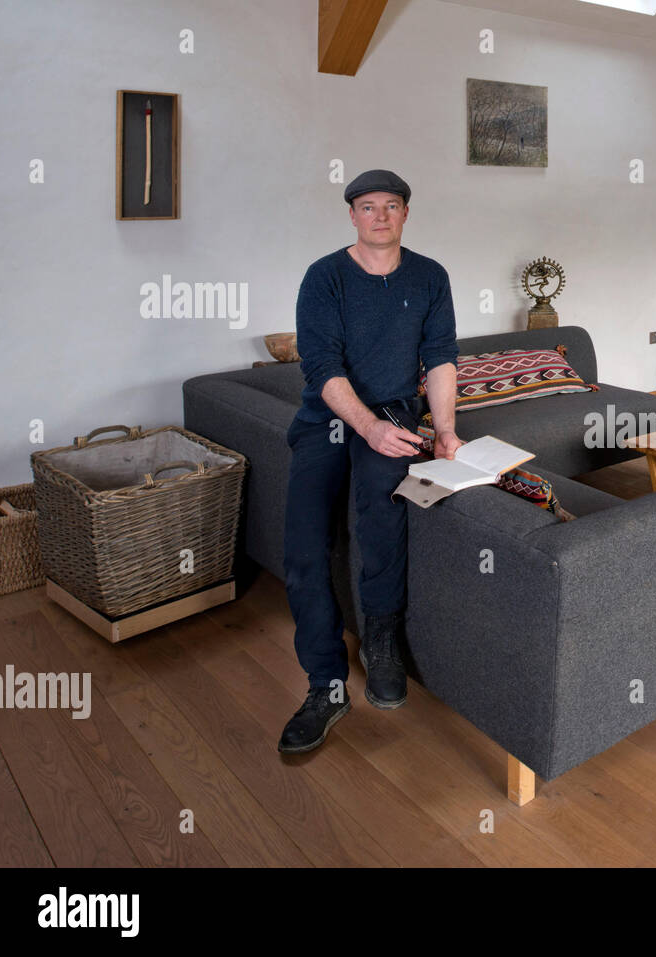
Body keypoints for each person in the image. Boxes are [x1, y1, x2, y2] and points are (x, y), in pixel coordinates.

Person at [277, 169, 462, 754]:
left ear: (406, 213)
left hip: (397, 412)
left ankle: (381, 645)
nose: (379, 216)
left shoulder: (431, 277)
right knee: (304, 543)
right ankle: (325, 684)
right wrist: (368, 427)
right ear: (351, 215)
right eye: (366, 207)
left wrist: (447, 431)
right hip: (328, 416)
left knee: (381, 516)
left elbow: (439, 358)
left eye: (390, 206)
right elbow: (322, 366)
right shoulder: (324, 277)